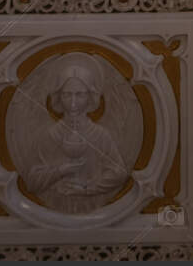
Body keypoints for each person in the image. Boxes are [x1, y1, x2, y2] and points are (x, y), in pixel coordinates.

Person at [26, 59, 132, 213]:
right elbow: (32, 181)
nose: (73, 103)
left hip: (95, 210)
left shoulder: (100, 135)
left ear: (90, 97)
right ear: (58, 97)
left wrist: (87, 188)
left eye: (80, 94)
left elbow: (119, 173)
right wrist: (60, 171)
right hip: (53, 210)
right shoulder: (50, 135)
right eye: (67, 95)